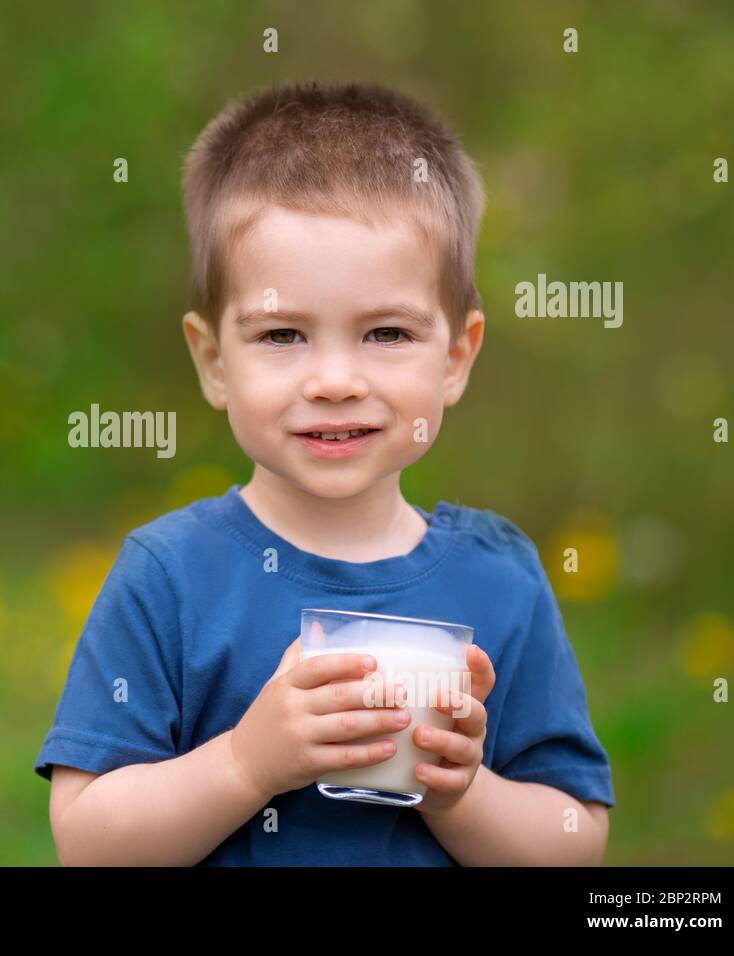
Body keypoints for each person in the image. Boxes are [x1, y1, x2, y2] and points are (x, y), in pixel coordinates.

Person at [34, 81, 614, 866]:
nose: (334, 380)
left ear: (455, 357)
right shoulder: (169, 577)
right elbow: (88, 843)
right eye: (281, 335)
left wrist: (462, 793)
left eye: (385, 332)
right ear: (213, 361)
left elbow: (573, 842)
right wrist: (245, 764)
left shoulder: (501, 580)